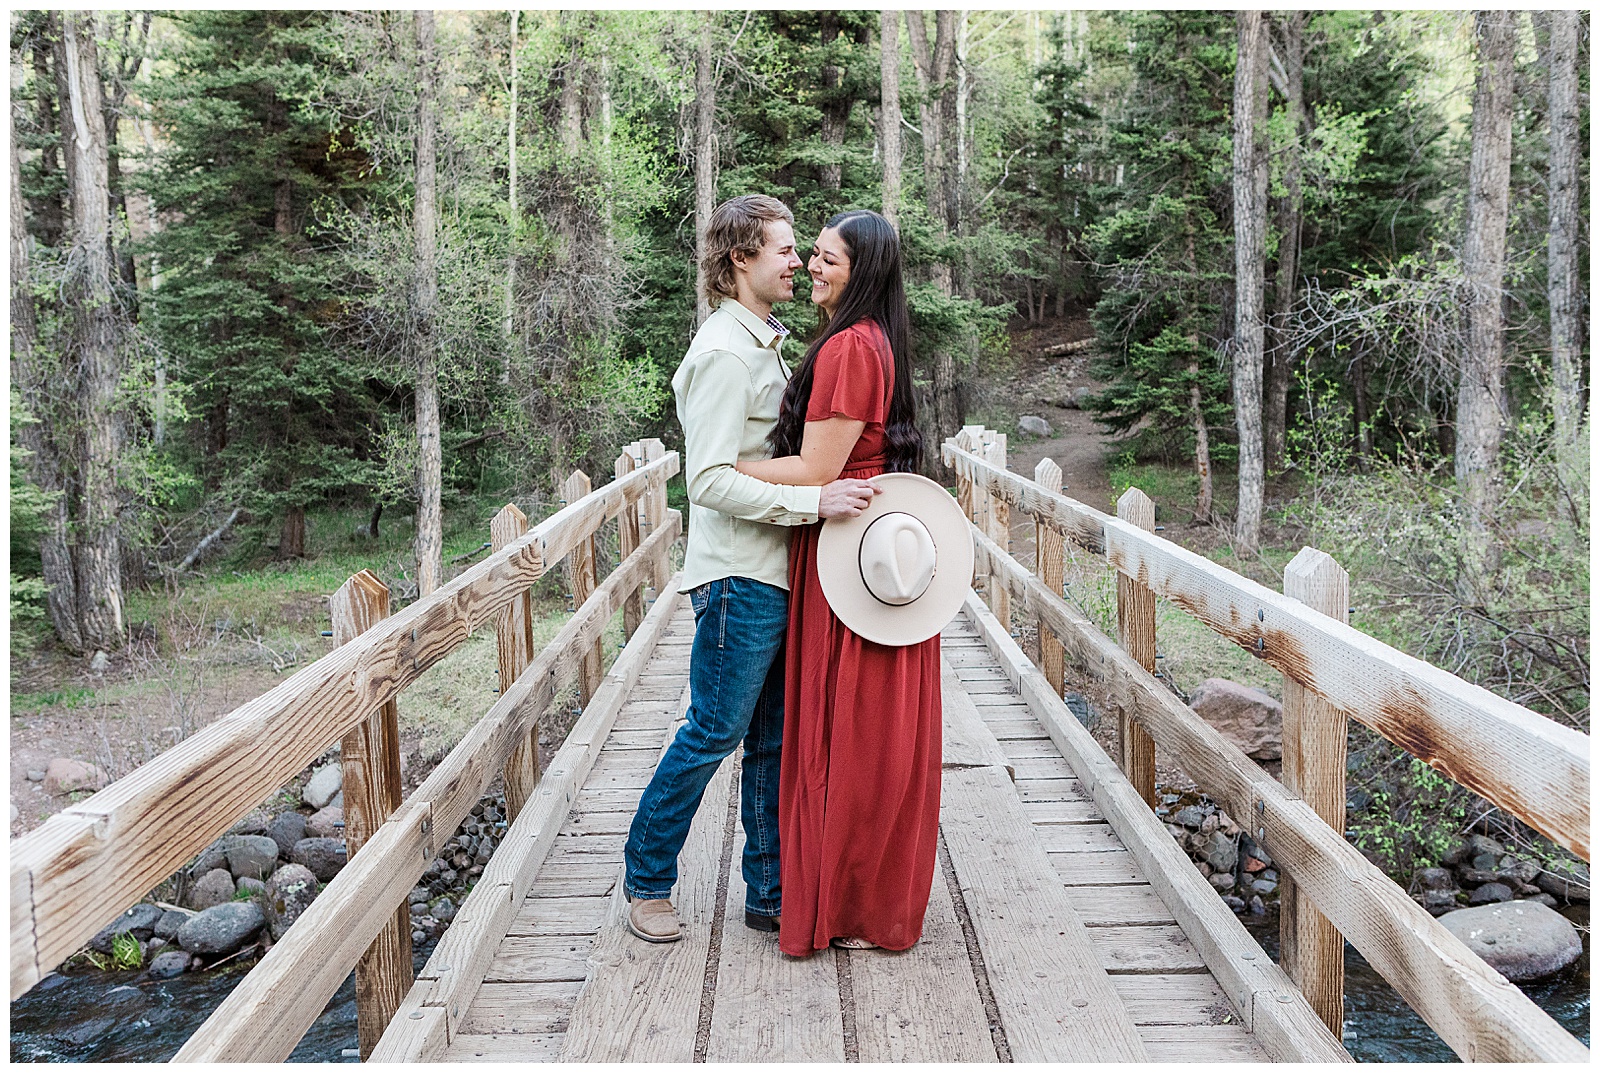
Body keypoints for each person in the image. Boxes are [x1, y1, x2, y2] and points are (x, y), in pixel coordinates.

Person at [621, 195, 880, 944]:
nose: (799, 261)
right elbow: (705, 482)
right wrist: (816, 504)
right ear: (741, 259)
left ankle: (767, 890)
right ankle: (647, 880)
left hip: (775, 571)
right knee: (714, 728)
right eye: (784, 249)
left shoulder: (762, 339)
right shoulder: (723, 353)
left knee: (769, 736)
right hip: (738, 573)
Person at [733, 209, 940, 956]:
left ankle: (845, 897)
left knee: (843, 723)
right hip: (857, 545)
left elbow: (819, 470)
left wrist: (724, 469)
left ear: (864, 272)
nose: (811, 268)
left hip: (844, 549)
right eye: (809, 255)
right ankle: (861, 891)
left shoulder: (853, 347)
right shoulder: (870, 340)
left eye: (828, 260)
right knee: (867, 726)